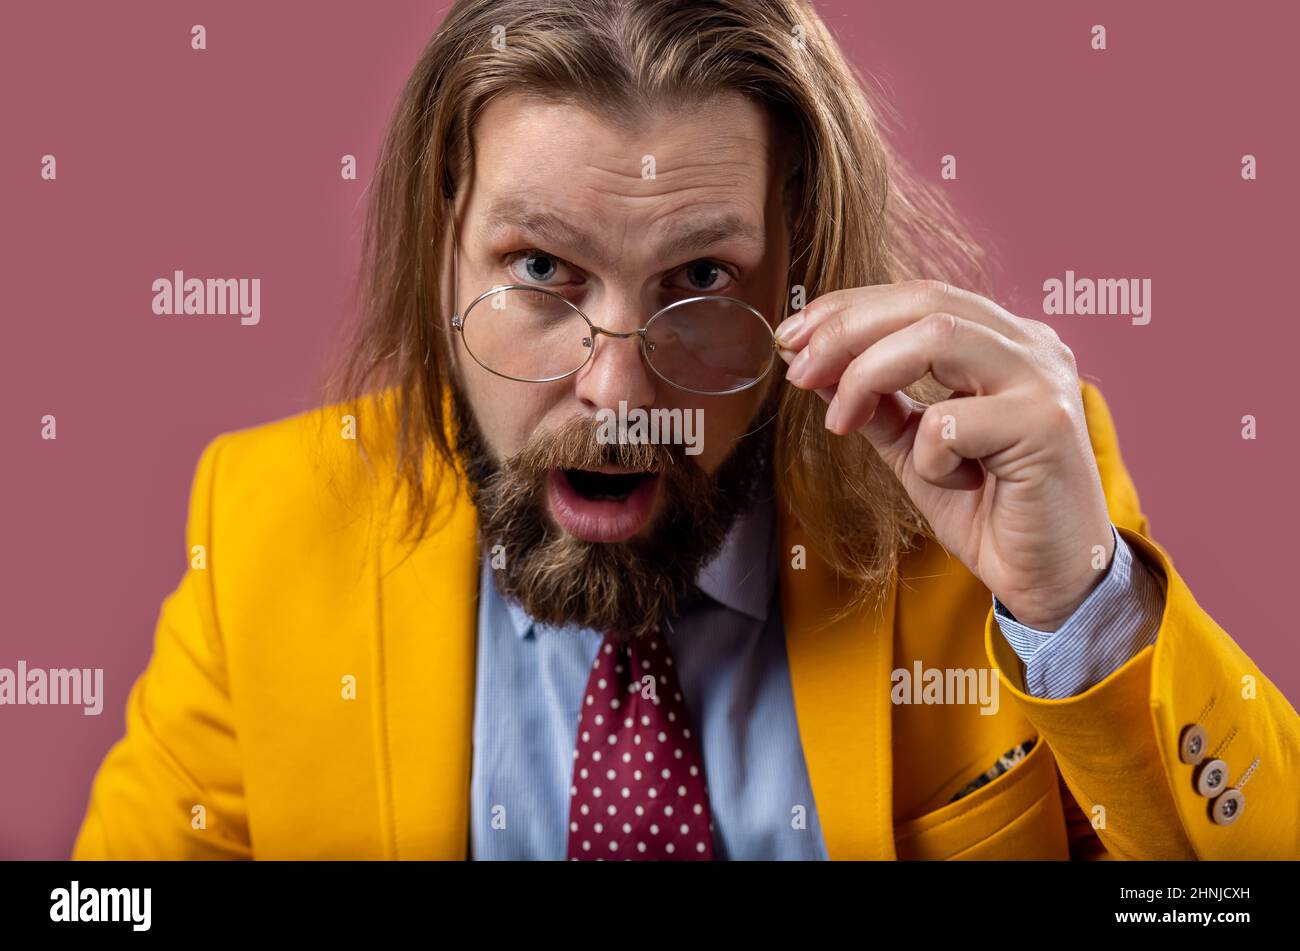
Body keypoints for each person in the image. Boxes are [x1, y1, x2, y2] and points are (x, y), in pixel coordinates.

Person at [73, 0, 1298, 860]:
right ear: (441, 243)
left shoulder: (983, 506)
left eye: (701, 280)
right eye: (541, 266)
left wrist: (1076, 611)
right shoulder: (267, 524)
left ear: (800, 278)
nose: (616, 392)